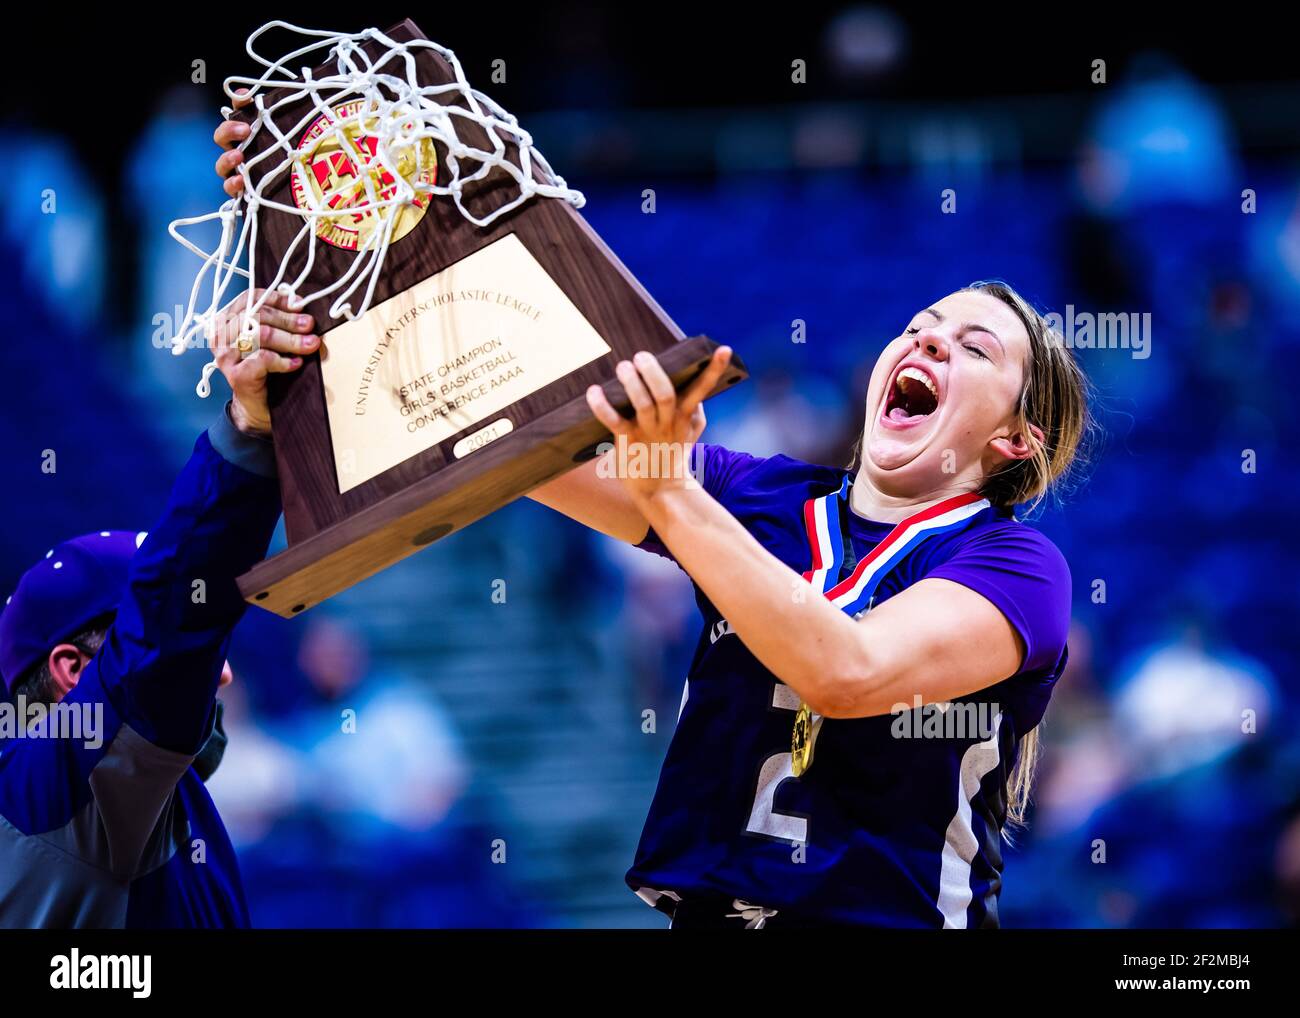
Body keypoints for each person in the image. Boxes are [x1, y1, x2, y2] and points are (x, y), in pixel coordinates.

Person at [213, 128, 1091, 931]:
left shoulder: (1016, 564)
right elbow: (509, 437)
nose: (929, 344)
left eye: (974, 348)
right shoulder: (761, 493)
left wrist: (669, 490)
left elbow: (847, 671)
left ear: (1017, 438)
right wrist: (352, 232)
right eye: (919, 328)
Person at [0, 289, 318, 927]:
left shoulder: (140, 797)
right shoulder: (60, 787)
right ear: (70, 672)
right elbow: (170, 622)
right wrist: (251, 429)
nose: (224, 673)